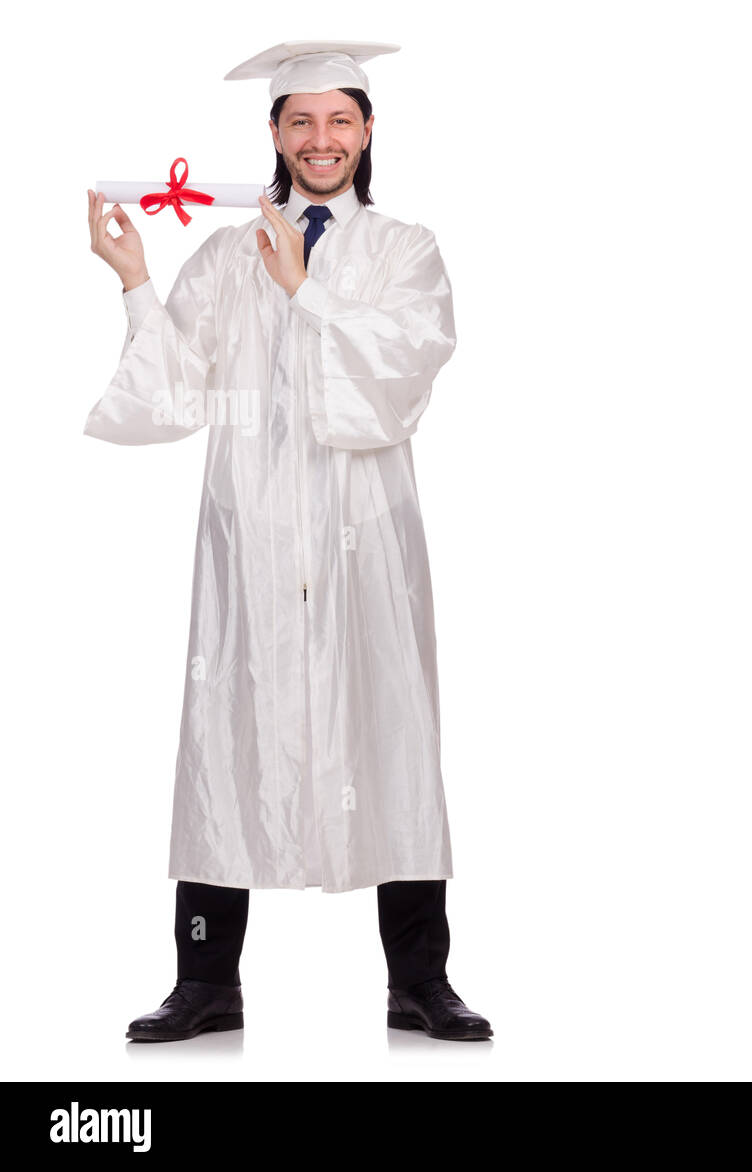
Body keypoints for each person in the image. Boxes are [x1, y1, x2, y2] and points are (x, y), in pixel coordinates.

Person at [84, 40, 490, 1042]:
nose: (321, 140)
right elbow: (176, 388)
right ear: (273, 132)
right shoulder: (226, 254)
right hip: (252, 535)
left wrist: (306, 288)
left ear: (367, 130)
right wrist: (134, 277)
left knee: (388, 732)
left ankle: (420, 979)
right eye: (300, 122)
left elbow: (398, 380)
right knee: (227, 736)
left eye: (338, 120)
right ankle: (205, 979)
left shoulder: (404, 249)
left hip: (364, 539)